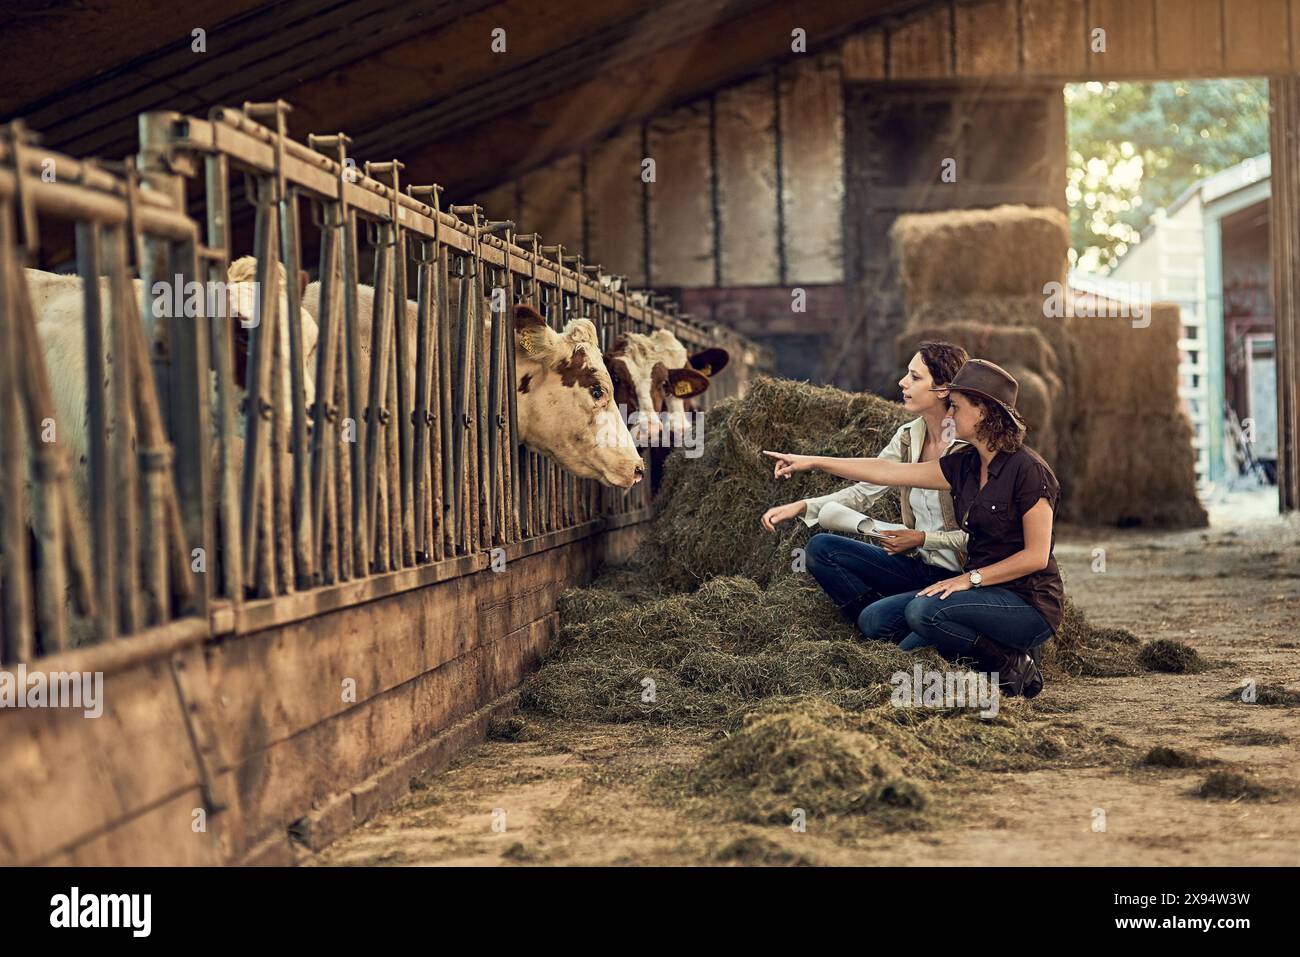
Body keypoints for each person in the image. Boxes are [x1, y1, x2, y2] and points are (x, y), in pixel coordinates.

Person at [763, 359, 1064, 698]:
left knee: (923, 612)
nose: (948, 415)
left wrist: (968, 579)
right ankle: (966, 644)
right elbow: (886, 472)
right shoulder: (964, 465)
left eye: (956, 407)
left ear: (982, 412)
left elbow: (1037, 557)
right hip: (978, 592)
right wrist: (812, 461)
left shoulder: (1030, 472)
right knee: (881, 625)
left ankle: (1011, 662)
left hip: (1026, 602)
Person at [762, 343, 970, 645]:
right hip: (922, 568)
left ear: (942, 390)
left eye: (914, 377)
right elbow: (864, 491)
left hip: (961, 577)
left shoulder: (969, 449)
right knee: (821, 549)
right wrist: (801, 506)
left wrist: (921, 538)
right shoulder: (908, 435)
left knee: (879, 623)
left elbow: (985, 538)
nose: (902, 383)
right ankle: (886, 618)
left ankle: (897, 621)